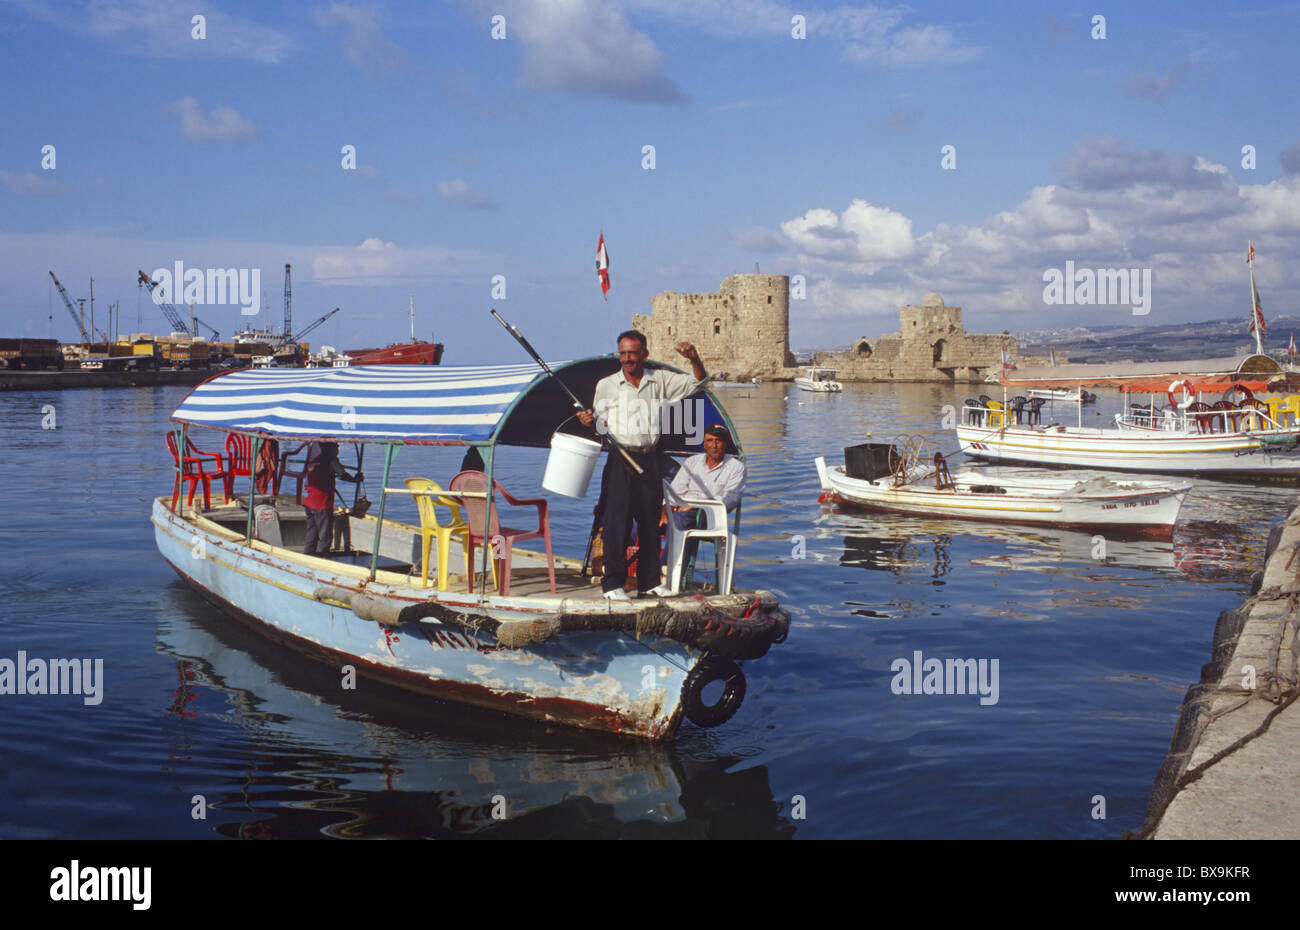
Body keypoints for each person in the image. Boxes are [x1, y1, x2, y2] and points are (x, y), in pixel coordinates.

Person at [577, 329, 707, 600]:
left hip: (649, 457)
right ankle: (613, 585)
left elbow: (698, 383)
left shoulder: (659, 380)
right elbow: (602, 427)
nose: (627, 359)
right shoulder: (606, 385)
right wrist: (590, 423)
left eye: (633, 353)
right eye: (622, 353)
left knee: (649, 522)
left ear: (645, 355)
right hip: (620, 458)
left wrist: (694, 358)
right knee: (617, 523)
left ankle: (649, 583)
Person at [665, 423, 745, 532]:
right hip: (682, 510)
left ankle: (671, 549)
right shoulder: (692, 462)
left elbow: (731, 499)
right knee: (643, 517)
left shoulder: (735, 467)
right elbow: (675, 491)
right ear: (704, 444)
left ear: (725, 444)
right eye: (710, 440)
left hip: (710, 516)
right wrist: (665, 508)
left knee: (677, 520)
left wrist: (695, 505)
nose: (714, 445)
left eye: (718, 440)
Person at [302, 442, 363, 557]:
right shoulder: (330, 460)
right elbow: (342, 474)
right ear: (330, 449)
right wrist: (356, 480)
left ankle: (308, 555)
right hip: (322, 504)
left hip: (309, 503)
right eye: (336, 447)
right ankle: (322, 559)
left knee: (312, 532)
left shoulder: (314, 460)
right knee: (325, 536)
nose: (338, 449)